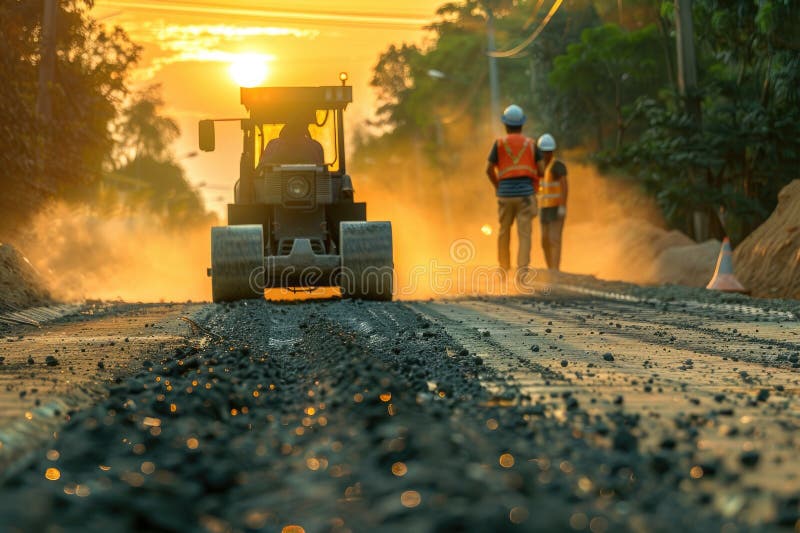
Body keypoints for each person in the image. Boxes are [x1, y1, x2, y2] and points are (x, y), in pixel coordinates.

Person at [485, 104, 543, 275]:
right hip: (525, 195)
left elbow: (488, 169)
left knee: (504, 232)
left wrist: (498, 186)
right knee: (524, 234)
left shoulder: (499, 143)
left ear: (505, 125)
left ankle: (503, 268)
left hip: (505, 195)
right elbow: (541, 170)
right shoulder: (531, 144)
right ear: (522, 124)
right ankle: (522, 271)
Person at [537, 133, 568, 271]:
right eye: (543, 152)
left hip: (556, 207)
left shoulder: (558, 166)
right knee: (544, 240)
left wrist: (563, 206)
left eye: (548, 152)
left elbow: (564, 186)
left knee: (554, 239)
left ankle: (555, 269)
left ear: (552, 151)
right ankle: (550, 267)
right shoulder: (539, 167)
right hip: (544, 208)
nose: (546, 154)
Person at [257, 120, 325, 170]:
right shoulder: (315, 146)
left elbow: (322, 172)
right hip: (276, 184)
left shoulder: (315, 147)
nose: (293, 140)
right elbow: (261, 169)